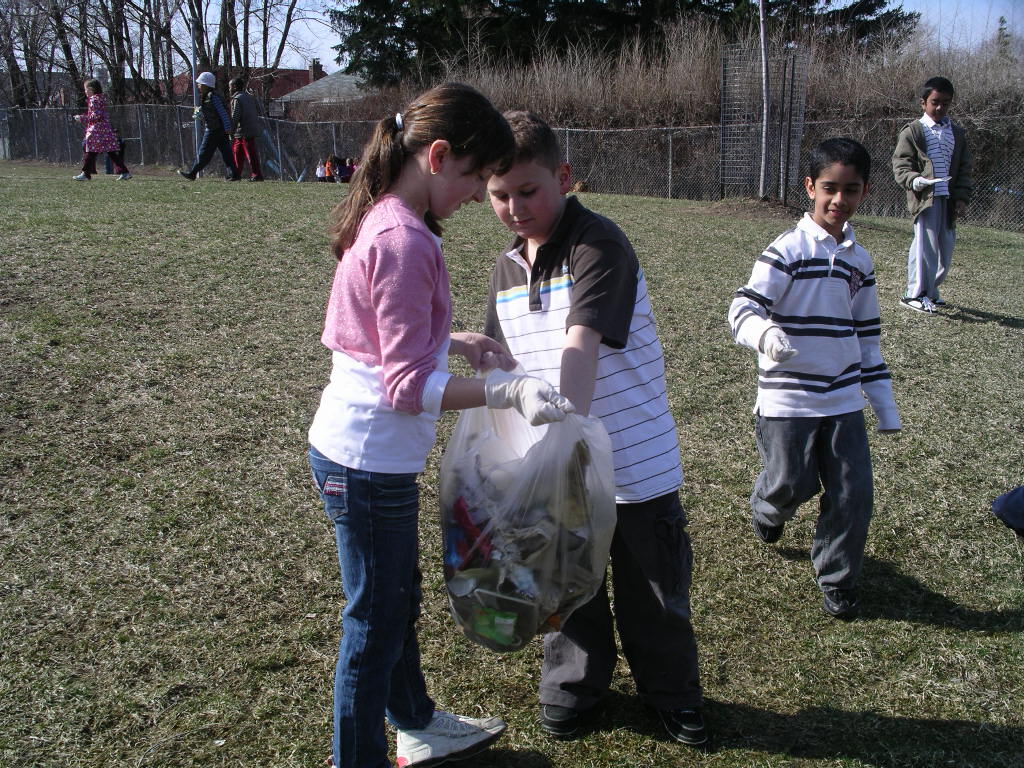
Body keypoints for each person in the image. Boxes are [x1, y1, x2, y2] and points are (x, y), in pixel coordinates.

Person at [307, 84, 574, 768]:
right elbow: (403, 387)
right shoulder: (403, 239)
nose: (477, 196)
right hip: (368, 464)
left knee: (394, 602)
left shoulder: (388, 216)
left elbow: (374, 333)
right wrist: (504, 391)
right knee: (375, 623)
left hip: (360, 457)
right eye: (475, 178)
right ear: (437, 156)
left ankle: (417, 723)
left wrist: (455, 341)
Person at [483, 111, 708, 748]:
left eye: (529, 191)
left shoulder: (598, 244)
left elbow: (579, 345)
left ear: (564, 177)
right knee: (566, 585)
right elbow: (506, 364)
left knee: (653, 591)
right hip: (554, 468)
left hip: (633, 467)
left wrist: (567, 434)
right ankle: (574, 685)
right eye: (499, 195)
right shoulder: (505, 268)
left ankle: (671, 692)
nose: (515, 208)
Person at [728, 137, 902, 620]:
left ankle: (838, 578)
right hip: (788, 397)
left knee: (853, 493)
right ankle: (768, 508)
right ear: (810, 187)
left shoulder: (860, 261)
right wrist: (766, 335)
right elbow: (742, 307)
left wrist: (883, 402)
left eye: (851, 189)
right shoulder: (788, 249)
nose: (839, 199)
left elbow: (867, 335)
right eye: (829, 188)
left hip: (842, 397)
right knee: (791, 482)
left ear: (865, 191)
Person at [892, 76, 974, 313]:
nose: (939, 108)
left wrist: (961, 198)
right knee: (924, 248)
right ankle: (914, 294)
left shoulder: (956, 133)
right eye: (935, 102)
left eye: (945, 103)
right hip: (925, 200)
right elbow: (901, 165)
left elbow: (964, 169)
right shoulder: (914, 131)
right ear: (923, 103)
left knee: (945, 249)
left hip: (947, 200)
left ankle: (931, 290)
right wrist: (915, 180)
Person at [178, 71, 239, 181]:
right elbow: (202, 113)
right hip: (219, 130)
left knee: (204, 153)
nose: (198, 85)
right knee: (226, 153)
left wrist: (228, 127)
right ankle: (234, 174)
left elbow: (222, 113)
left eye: (200, 84)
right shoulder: (207, 97)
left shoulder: (212, 97)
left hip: (214, 130)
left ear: (206, 85)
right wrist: (198, 114)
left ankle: (193, 173)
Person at [72, 78, 131, 181]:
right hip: (105, 130)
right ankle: (124, 172)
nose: (85, 91)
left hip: (97, 132)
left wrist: (81, 118)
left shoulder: (94, 100)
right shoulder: (101, 99)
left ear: (91, 89)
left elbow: (96, 116)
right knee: (110, 152)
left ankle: (86, 174)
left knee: (90, 151)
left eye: (86, 89)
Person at [228, 76, 264, 181]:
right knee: (237, 152)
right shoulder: (248, 97)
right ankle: (236, 174)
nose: (229, 89)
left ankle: (257, 175)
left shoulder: (237, 99)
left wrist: (231, 131)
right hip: (247, 130)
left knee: (250, 154)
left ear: (234, 87)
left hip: (244, 131)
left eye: (230, 87)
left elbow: (235, 117)